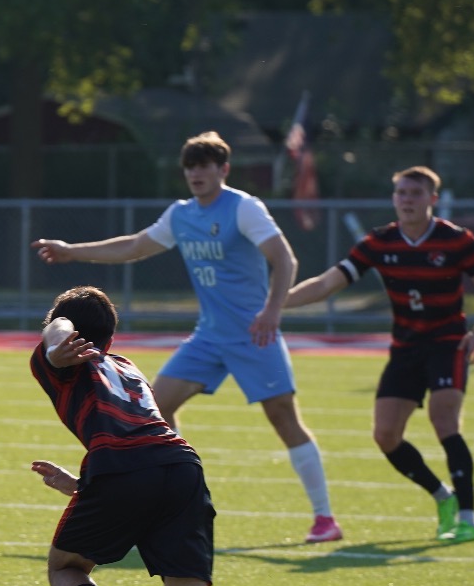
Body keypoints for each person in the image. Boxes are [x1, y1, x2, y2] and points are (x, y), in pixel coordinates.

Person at [34, 131, 342, 544]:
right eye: (190, 166)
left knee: (284, 419)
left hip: (255, 334)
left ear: (223, 170)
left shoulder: (244, 208)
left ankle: (325, 519)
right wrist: (73, 251)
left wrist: (271, 311)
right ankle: (179, 498)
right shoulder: (182, 214)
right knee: (154, 409)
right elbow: (136, 246)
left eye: (205, 165)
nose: (196, 173)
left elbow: (284, 259)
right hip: (208, 337)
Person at [29, 285, 274, 586]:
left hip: (124, 467)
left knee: (65, 567)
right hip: (181, 467)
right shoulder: (127, 367)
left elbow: (56, 332)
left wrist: (57, 340)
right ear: (112, 335)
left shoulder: (58, 353)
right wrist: (82, 484)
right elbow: (145, 445)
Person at [284, 166, 474, 542]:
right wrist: (277, 303)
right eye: (401, 193)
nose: (406, 200)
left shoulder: (456, 240)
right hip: (405, 348)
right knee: (385, 435)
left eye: (415, 194)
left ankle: (469, 518)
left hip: (447, 343)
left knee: (444, 419)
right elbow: (327, 283)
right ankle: (444, 497)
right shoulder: (380, 242)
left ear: (432, 200)